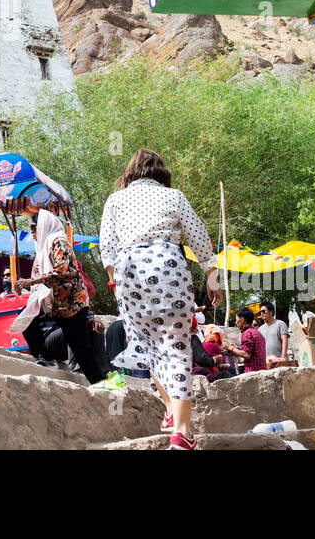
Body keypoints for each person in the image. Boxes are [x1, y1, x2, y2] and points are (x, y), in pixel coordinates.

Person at [99, 149, 221, 450]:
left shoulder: (115, 200)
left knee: (146, 343)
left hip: (130, 275)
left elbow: (107, 246)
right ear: (161, 173)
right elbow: (198, 235)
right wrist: (211, 275)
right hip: (168, 269)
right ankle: (181, 431)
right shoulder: (174, 196)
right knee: (176, 346)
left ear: (130, 173)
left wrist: (116, 283)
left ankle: (170, 408)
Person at [15, 202, 109, 386]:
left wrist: (32, 281)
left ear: (44, 225)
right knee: (26, 318)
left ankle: (101, 383)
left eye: (35, 228)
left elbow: (63, 270)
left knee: (81, 349)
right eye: (31, 229)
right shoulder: (43, 248)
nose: (33, 232)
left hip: (71, 304)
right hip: (57, 304)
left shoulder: (59, 241)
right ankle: (45, 357)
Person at [223, 308, 267, 373]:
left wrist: (230, 347)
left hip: (253, 374)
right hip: (262, 371)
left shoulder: (247, 333)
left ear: (242, 320)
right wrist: (236, 348)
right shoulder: (257, 333)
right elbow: (252, 351)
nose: (235, 323)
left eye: (236, 320)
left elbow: (246, 354)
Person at [258, 300, 292, 365]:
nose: (261, 314)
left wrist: (283, 357)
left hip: (280, 361)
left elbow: (285, 340)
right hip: (266, 363)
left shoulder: (280, 324)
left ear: (271, 312)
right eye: (260, 312)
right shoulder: (260, 329)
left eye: (263, 311)